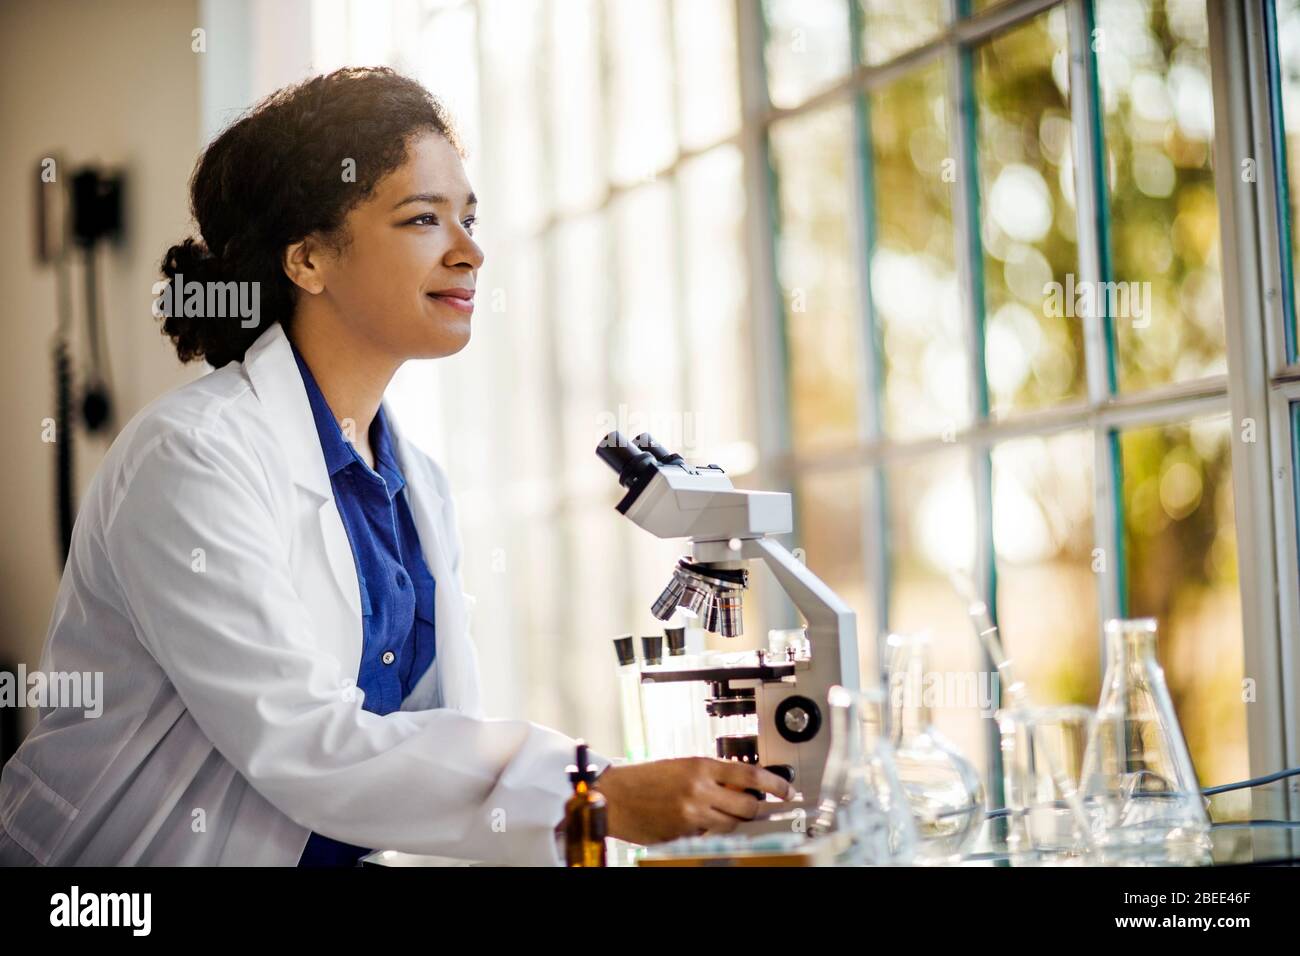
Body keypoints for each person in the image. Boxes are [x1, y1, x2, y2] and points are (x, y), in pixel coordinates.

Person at [0, 67, 792, 866]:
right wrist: (596, 792)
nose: (471, 251)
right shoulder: (192, 457)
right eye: (423, 219)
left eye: (470, 218)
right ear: (307, 260)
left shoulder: (412, 481)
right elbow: (307, 745)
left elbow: (424, 751)